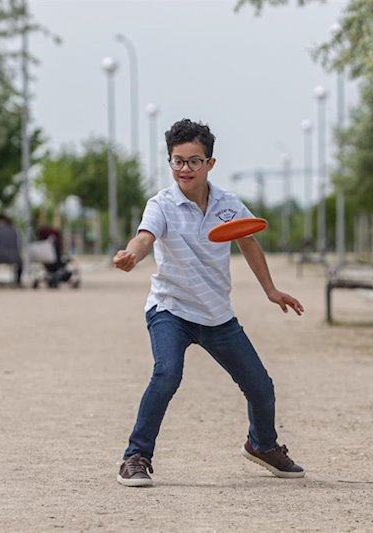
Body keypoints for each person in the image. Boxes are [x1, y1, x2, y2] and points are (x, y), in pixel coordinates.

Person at [113, 118, 306, 487]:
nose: (185, 169)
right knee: (167, 374)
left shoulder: (229, 205)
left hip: (216, 314)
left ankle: (262, 445)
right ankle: (135, 456)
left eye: (194, 161)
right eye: (177, 161)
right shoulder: (162, 204)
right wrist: (132, 255)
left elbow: (249, 242)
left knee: (261, 386)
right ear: (169, 162)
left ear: (210, 164)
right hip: (171, 309)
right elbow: (145, 236)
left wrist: (270, 289)